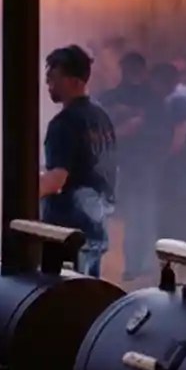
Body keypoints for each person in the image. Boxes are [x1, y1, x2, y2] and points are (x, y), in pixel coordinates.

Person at [39, 45, 117, 276]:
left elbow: (56, 180)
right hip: (96, 225)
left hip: (67, 232)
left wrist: (21, 196)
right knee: (88, 298)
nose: (48, 84)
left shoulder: (64, 123)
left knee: (66, 300)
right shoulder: (102, 118)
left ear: (74, 81)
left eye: (54, 77)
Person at [98, 52, 165, 281]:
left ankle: (138, 265)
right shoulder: (145, 99)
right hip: (126, 163)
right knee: (133, 215)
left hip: (138, 164)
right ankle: (135, 265)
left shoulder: (150, 100)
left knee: (139, 215)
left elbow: (160, 134)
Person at [152, 62, 186, 243]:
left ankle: (183, 259)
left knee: (179, 219)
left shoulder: (177, 101)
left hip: (181, 170)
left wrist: (163, 160)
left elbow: (181, 134)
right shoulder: (184, 99)